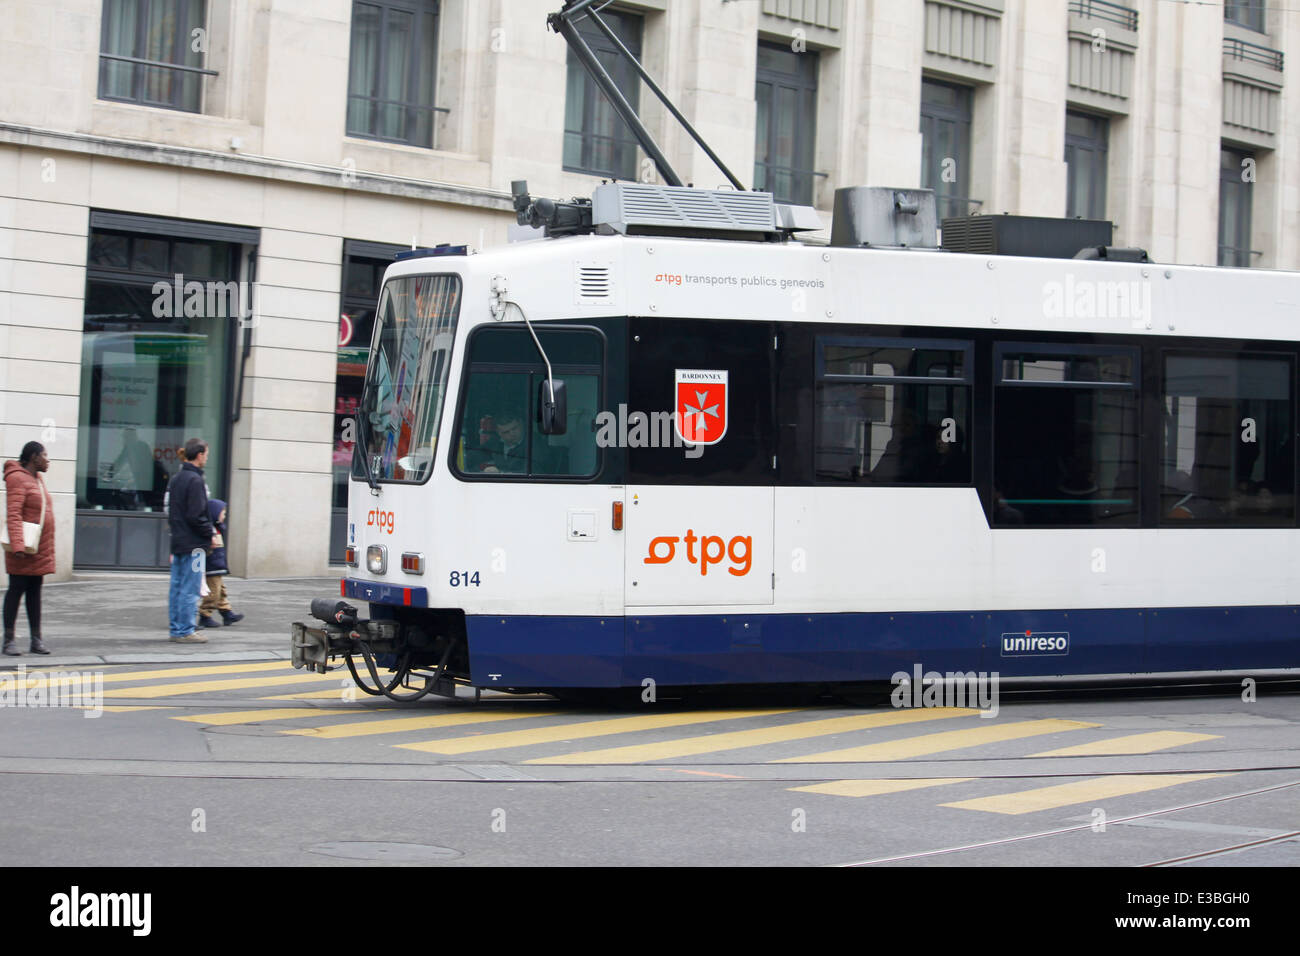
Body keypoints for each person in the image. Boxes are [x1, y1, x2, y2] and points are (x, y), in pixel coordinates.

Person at [3, 442, 54, 656]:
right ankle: (8, 640)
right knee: (16, 591)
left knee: (35, 592)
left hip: (37, 548)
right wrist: (17, 545)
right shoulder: (17, 478)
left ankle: (36, 639)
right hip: (23, 548)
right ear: (34, 457)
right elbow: (13, 514)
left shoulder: (37, 479)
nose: (47, 459)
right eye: (44, 455)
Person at [166, 437, 214, 643]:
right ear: (200, 454)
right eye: (206, 454)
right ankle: (186, 629)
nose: (206, 459)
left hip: (179, 542)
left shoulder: (177, 478)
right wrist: (209, 534)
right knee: (191, 588)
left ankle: (176, 628)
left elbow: (172, 511)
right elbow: (197, 515)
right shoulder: (195, 481)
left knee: (177, 588)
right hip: (195, 546)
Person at [197, 498, 243, 629]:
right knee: (214, 592)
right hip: (211, 567)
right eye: (223, 513)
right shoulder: (209, 530)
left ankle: (226, 612)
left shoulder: (217, 528)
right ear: (214, 513)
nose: (224, 516)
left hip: (217, 566)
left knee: (221, 591)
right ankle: (205, 615)